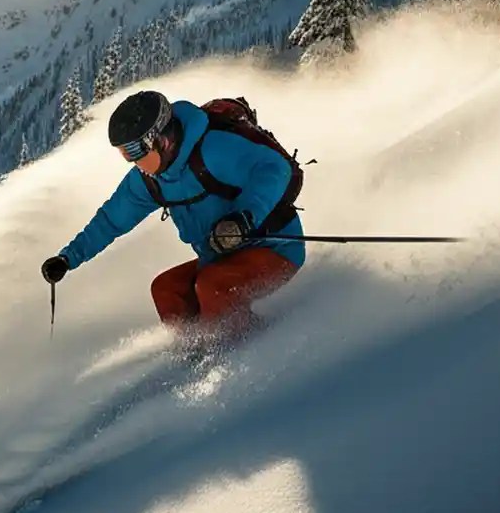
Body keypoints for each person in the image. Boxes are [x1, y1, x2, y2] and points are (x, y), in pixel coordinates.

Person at [40, 90, 305, 347]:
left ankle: (243, 355)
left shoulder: (213, 150)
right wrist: (67, 258)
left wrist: (244, 218)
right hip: (220, 257)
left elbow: (273, 168)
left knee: (213, 286)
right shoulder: (151, 180)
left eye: (135, 150)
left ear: (162, 140)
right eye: (125, 153)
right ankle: (194, 357)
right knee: (166, 290)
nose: (133, 161)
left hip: (275, 246)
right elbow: (110, 221)